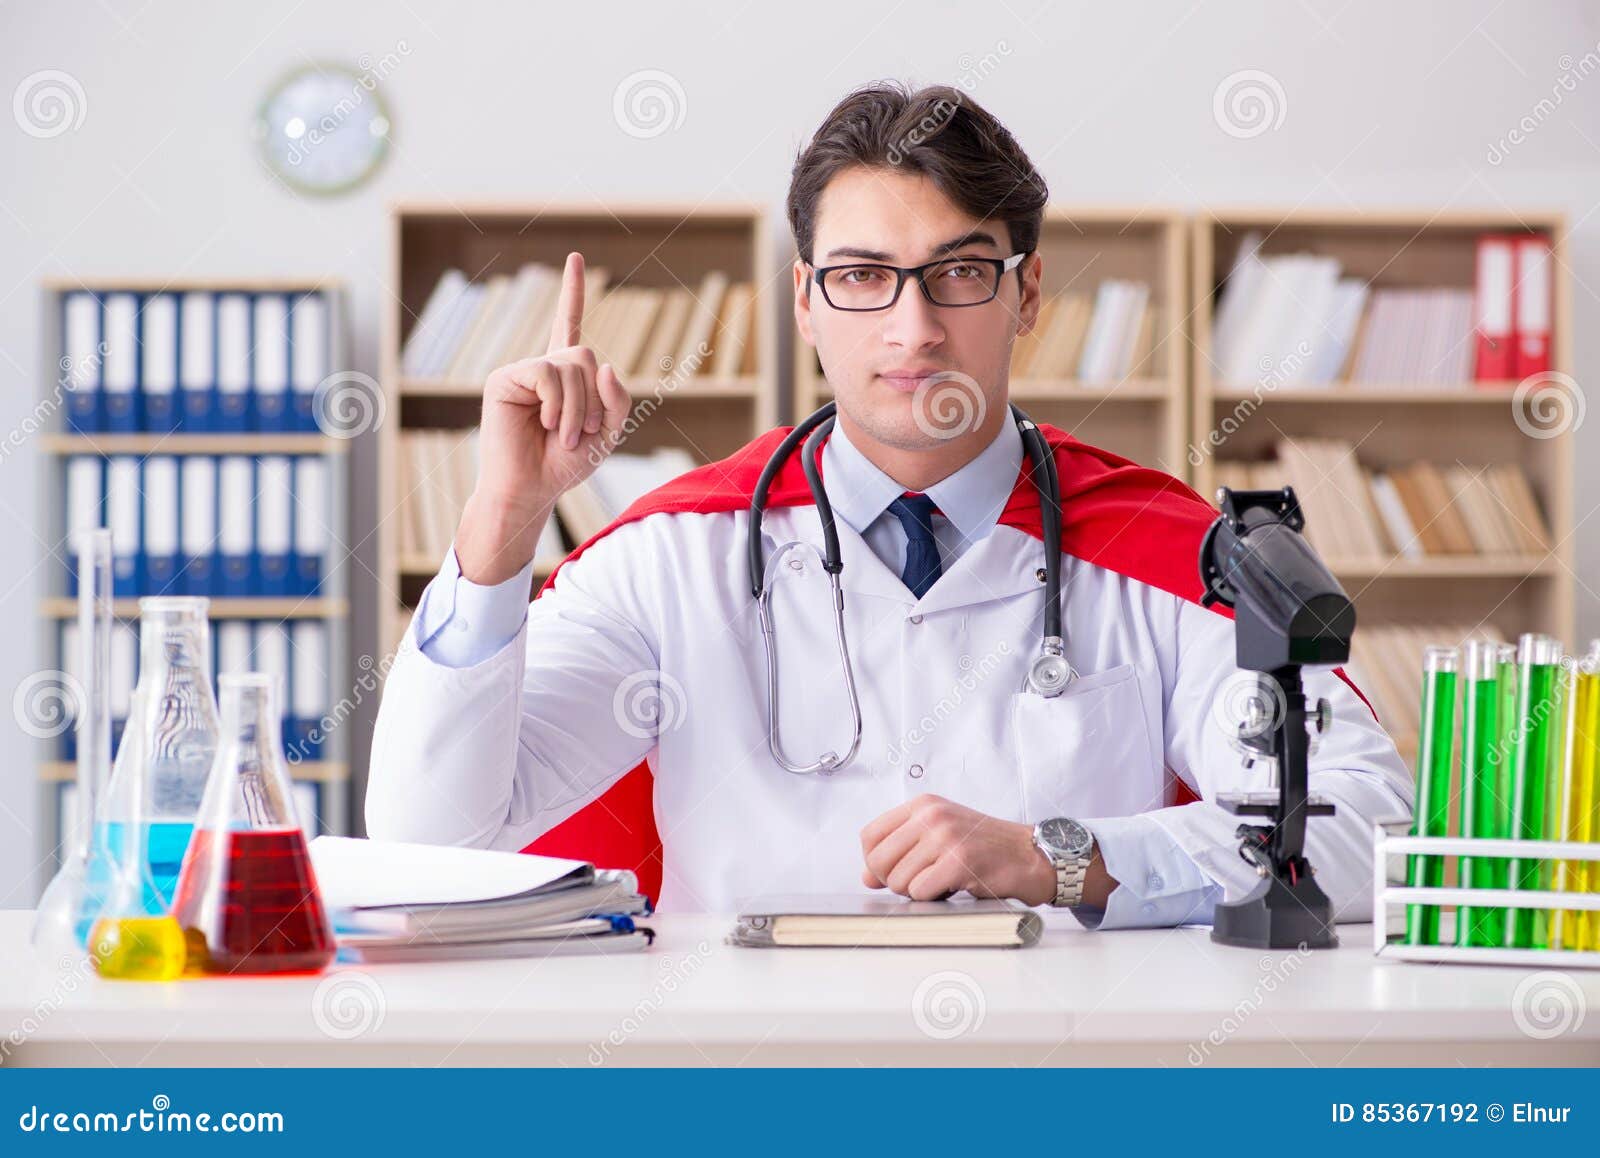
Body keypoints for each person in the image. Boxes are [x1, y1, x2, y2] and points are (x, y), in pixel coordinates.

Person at [367, 80, 1411, 925]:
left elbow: (1364, 824)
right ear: (806, 303)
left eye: (958, 272)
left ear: (1028, 294)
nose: (912, 329)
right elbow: (432, 842)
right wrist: (501, 523)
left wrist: (1065, 855)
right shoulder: (667, 559)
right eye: (863, 276)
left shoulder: (1168, 552)